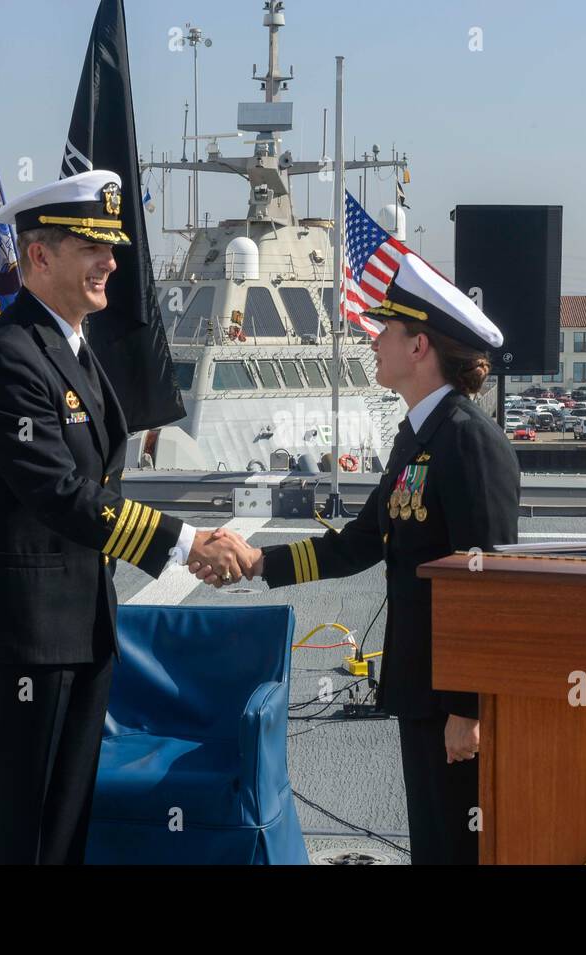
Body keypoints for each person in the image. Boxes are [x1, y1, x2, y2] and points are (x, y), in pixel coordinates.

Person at [0, 170, 254, 864]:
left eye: (110, 247)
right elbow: (61, 492)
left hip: (80, 626)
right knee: (17, 823)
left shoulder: (72, 350)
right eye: (91, 246)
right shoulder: (6, 358)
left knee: (63, 822)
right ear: (39, 256)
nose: (110, 262)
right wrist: (185, 542)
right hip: (28, 632)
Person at [191, 253, 520, 864]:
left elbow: (491, 588)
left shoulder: (469, 441)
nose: (374, 340)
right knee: (433, 845)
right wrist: (258, 561)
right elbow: (359, 544)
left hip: (452, 701)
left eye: (386, 332)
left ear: (419, 346)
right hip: (421, 691)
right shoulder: (418, 436)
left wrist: (469, 709)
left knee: (459, 848)